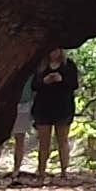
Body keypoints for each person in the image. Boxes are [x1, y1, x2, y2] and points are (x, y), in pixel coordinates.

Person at [30, 48, 79, 176]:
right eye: (51, 50)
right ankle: (41, 171)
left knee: (62, 140)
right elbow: (34, 85)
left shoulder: (68, 65)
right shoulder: (41, 66)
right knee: (43, 141)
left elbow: (74, 84)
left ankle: (64, 171)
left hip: (63, 107)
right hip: (43, 107)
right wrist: (44, 81)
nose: (53, 53)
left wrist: (61, 79)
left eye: (56, 50)